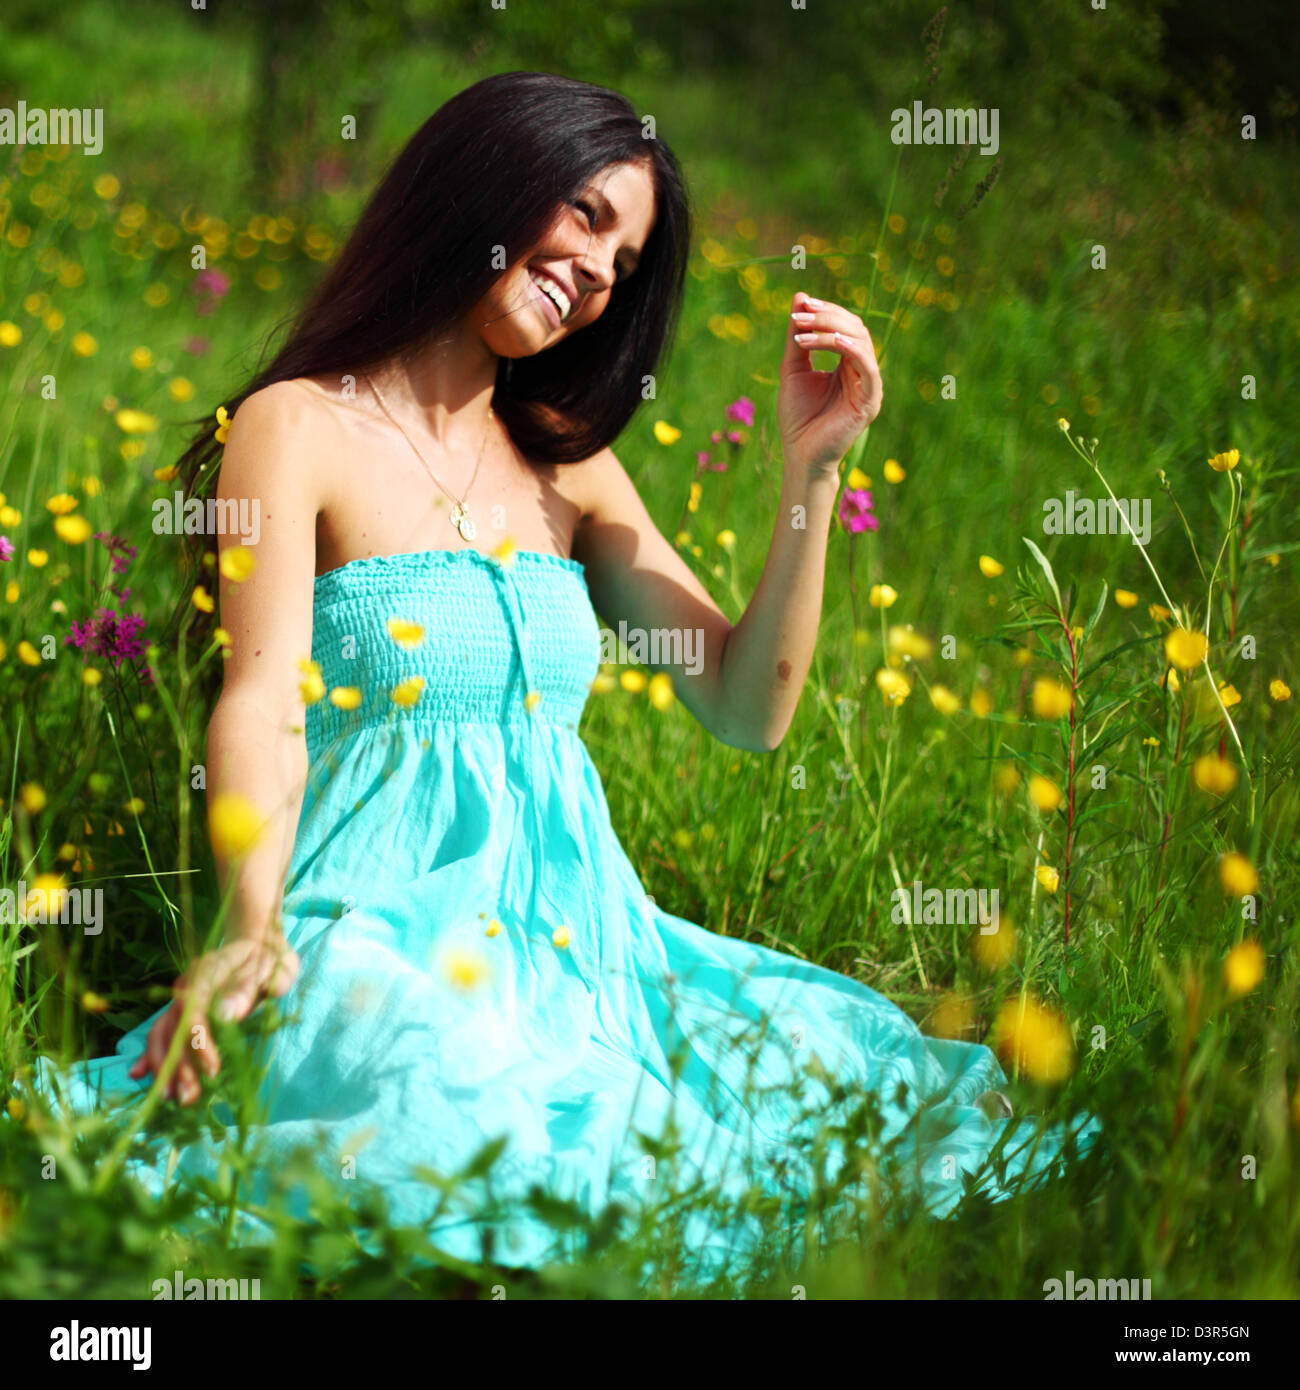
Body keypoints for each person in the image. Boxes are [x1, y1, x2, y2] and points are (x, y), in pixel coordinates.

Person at [34, 72, 1094, 1280]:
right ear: (489, 179)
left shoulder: (567, 471)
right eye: (587, 216)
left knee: (827, 1072)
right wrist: (247, 930)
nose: (598, 271)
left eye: (624, 259)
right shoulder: (297, 427)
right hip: (366, 930)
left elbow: (746, 707)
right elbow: (262, 703)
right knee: (450, 1102)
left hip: (587, 953)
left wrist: (812, 471)